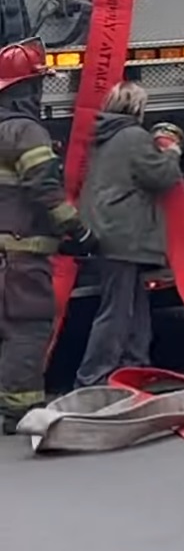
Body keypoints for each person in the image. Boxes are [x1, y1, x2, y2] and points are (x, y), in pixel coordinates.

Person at [0, 38, 97, 434]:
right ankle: (20, 411)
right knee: (26, 330)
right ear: (26, 88)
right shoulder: (24, 132)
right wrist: (78, 230)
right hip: (20, 259)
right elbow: (44, 188)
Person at [74, 83, 183, 387]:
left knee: (134, 302)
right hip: (124, 234)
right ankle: (93, 376)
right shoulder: (134, 136)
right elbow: (161, 176)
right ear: (137, 107)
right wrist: (172, 152)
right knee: (118, 310)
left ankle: (135, 363)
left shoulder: (103, 136)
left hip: (106, 229)